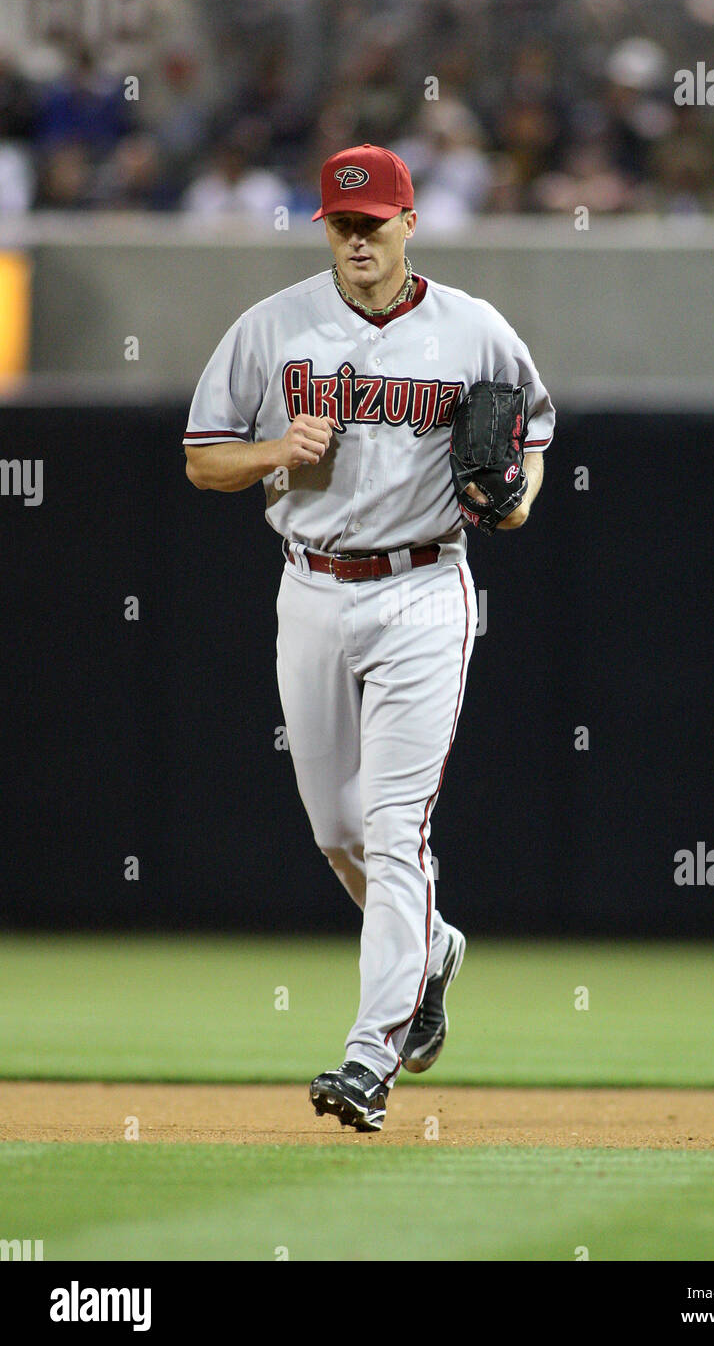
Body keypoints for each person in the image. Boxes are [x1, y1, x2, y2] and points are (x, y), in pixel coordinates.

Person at [184, 144, 555, 1132]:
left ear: (408, 221)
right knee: (334, 829)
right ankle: (429, 949)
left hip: (425, 589)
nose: (357, 238)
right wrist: (271, 449)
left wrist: (515, 504)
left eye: (373, 221)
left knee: (395, 830)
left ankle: (367, 1059)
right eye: (340, 223)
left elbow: (533, 431)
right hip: (308, 587)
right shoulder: (273, 327)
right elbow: (201, 459)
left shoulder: (470, 327)